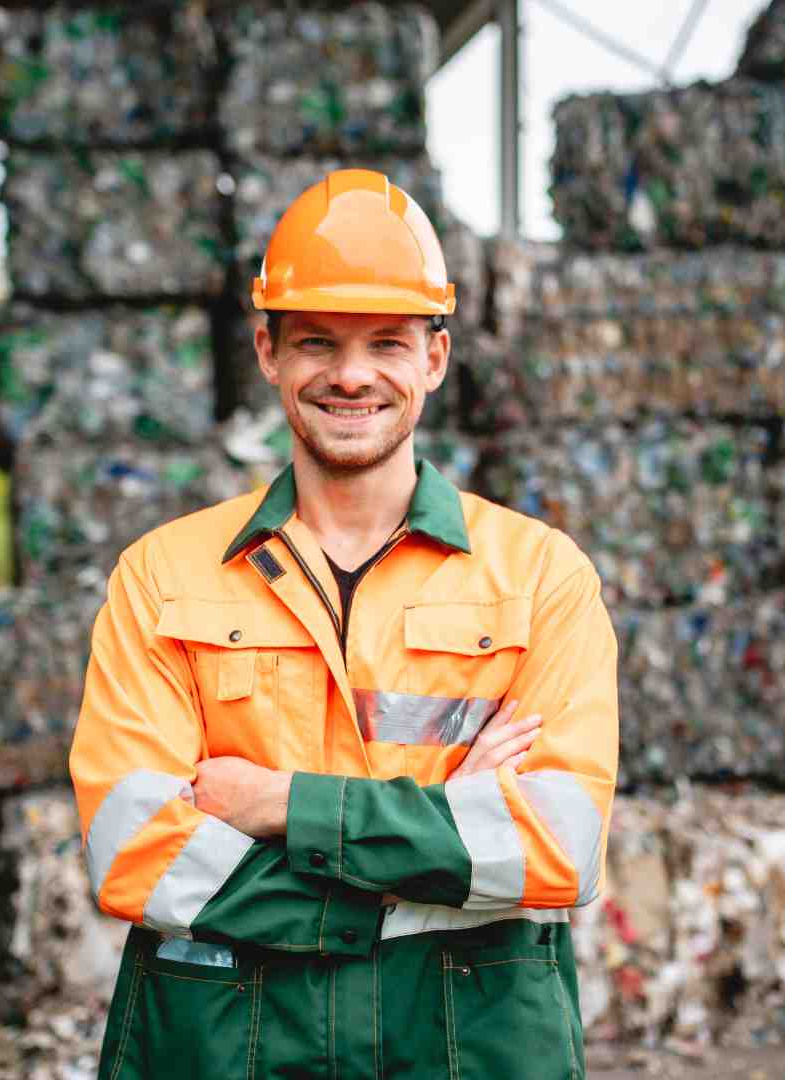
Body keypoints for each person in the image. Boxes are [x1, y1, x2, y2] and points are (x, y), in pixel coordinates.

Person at [69, 168, 620, 1079]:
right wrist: (442, 829)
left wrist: (280, 805)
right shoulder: (162, 577)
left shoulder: (540, 578)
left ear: (435, 359)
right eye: (317, 340)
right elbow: (136, 852)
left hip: (463, 1041)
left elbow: (556, 847)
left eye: (388, 344)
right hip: (228, 1041)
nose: (352, 375)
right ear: (267, 352)